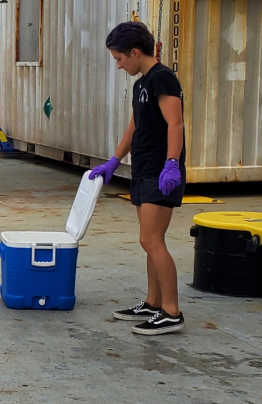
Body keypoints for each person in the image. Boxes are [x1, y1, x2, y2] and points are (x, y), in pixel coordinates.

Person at [89, 21, 186, 336]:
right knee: (149, 241)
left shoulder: (162, 79)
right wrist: (115, 161)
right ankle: (153, 302)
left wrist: (172, 163)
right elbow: (134, 126)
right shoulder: (140, 84)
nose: (118, 66)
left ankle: (171, 312)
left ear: (134, 52)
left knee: (151, 240)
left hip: (161, 172)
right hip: (143, 169)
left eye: (119, 59)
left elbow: (176, 124)